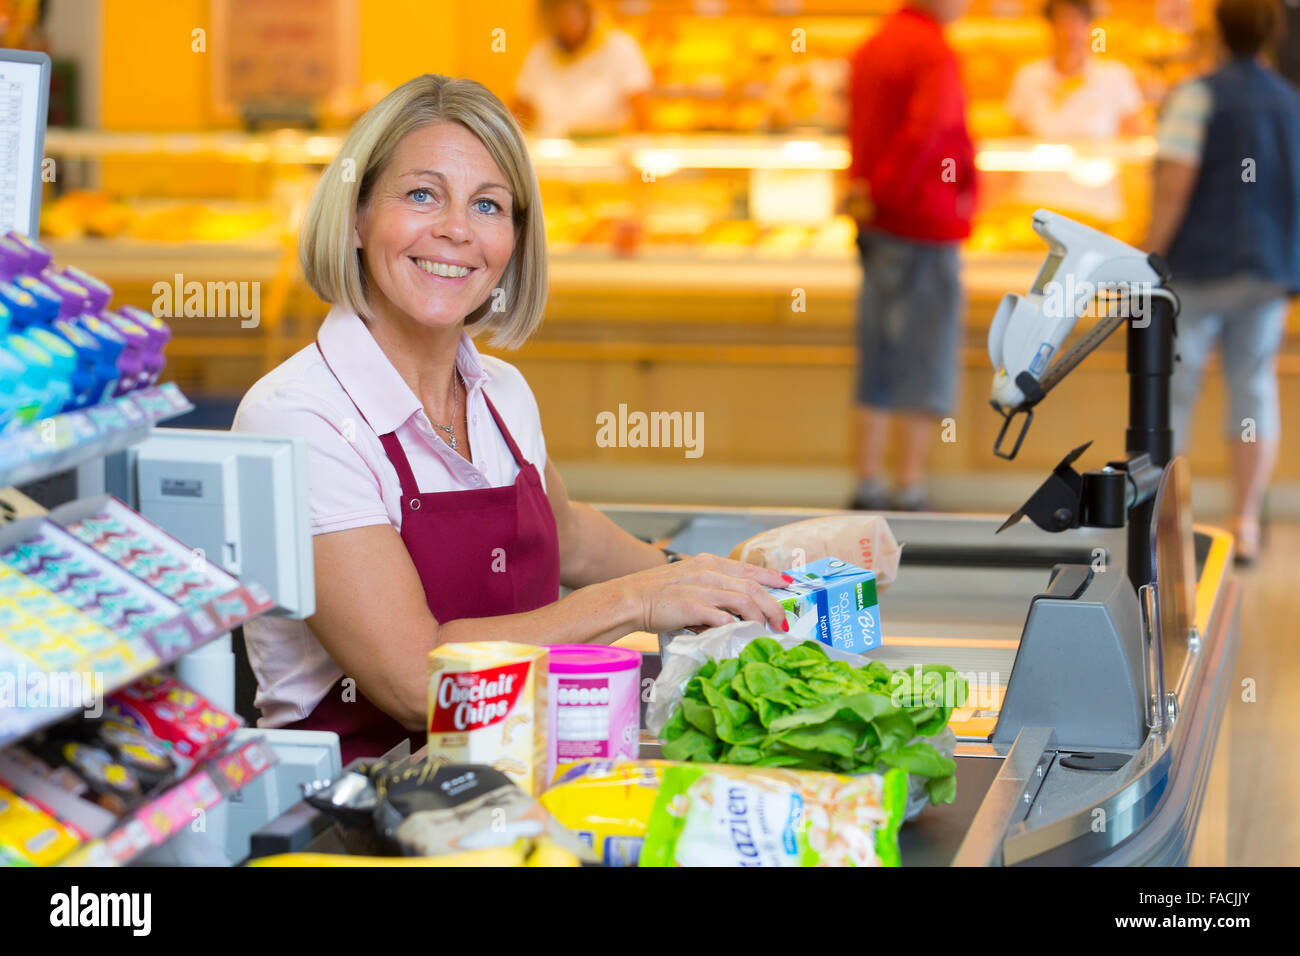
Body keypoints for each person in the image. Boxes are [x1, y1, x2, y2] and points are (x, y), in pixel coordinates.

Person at [233, 75, 790, 763]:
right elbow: (417, 680)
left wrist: (705, 579)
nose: (457, 230)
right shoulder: (298, 417)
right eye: (420, 194)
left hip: (527, 788)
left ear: (514, 242)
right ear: (355, 215)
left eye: (488, 205)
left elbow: (569, 534)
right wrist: (639, 601)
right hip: (357, 818)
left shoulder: (501, 392)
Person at [1145, 0, 1300, 565]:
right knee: (1253, 389)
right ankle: (1246, 524)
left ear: (1216, 29)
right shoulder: (1290, 102)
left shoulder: (1197, 94)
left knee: (1174, 391)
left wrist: (1148, 252)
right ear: (1272, 32)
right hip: (1266, 272)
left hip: (1199, 268)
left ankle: (1165, 523)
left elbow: (1174, 186)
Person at [845, 0, 977, 512]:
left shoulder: (873, 44)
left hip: (878, 226)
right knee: (926, 356)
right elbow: (929, 131)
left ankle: (867, 484)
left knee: (878, 355)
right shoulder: (935, 53)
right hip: (924, 222)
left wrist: (867, 194)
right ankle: (910, 488)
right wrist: (890, 190)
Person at [1004, 0, 1146, 219]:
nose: (1070, 31)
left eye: (1077, 21)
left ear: (1090, 27)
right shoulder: (1028, 77)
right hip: (1037, 204)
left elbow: (1137, 145)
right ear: (1050, 27)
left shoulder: (1114, 76)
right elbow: (1012, 145)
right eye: (1062, 21)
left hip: (1097, 206)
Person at [513, 0, 652, 137]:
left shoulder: (621, 47)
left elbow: (643, 116)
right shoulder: (538, 54)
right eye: (560, 11)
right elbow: (517, 116)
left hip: (606, 148)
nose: (569, 18)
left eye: (575, 9)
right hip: (553, 149)